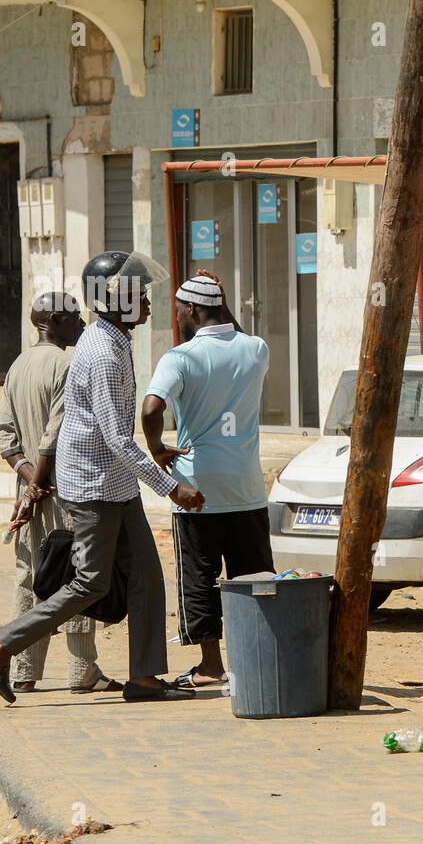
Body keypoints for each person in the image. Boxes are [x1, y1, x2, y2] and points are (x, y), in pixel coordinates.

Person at [0, 251, 206, 705]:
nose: (147, 301)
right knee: (90, 583)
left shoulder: (115, 338)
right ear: (113, 299)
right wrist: (171, 487)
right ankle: (0, 647)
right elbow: (118, 438)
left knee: (146, 577)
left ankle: (144, 679)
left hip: (116, 484)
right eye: (138, 294)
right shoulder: (102, 353)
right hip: (96, 487)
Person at [142, 271, 273, 688]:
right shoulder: (256, 348)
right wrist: (218, 296)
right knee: (253, 576)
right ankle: (258, 658)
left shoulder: (180, 358)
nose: (177, 315)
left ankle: (212, 665)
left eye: (181, 309)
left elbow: (149, 409)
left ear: (193, 310)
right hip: (246, 486)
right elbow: (231, 330)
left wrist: (157, 448)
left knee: (198, 575)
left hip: (195, 489)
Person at [0, 291, 119, 694]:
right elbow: (56, 433)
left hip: (33, 492)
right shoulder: (67, 364)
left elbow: (5, 435)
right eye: (73, 317)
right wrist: (39, 483)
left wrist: (29, 481)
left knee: (30, 575)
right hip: (65, 490)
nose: (83, 323)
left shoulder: (18, 365)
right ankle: (82, 671)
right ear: (52, 321)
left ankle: (23, 671)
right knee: (73, 573)